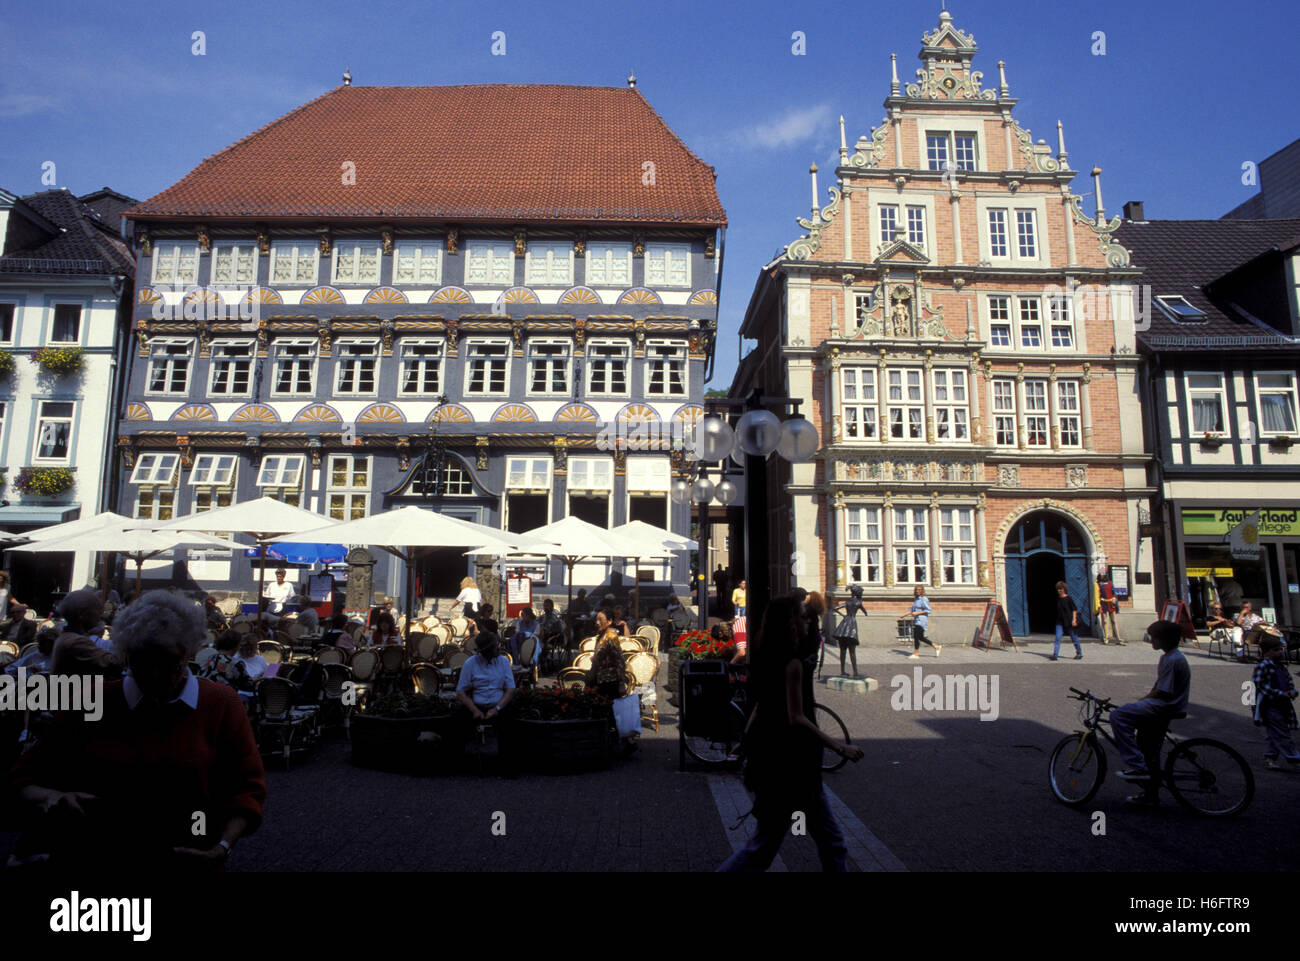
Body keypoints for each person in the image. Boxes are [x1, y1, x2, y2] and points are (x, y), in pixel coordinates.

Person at [9, 590, 266, 869]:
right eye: (143, 662)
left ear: (188, 653)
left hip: (188, 855)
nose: (155, 674)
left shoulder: (221, 703)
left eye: (166, 662)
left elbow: (247, 787)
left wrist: (222, 847)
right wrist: (54, 797)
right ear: (126, 656)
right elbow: (23, 778)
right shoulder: (91, 700)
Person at [718, 594, 864, 872]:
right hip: (795, 762)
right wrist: (839, 747)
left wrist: (745, 743)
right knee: (823, 843)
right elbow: (796, 717)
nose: (808, 622)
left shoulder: (768, 657)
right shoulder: (793, 664)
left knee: (766, 847)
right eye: (803, 617)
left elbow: (761, 705)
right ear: (791, 623)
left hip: (773, 761)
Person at [1110, 620, 1191, 805]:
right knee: (1148, 748)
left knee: (1118, 715)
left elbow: (1162, 691)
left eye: (1154, 637)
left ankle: (1137, 765)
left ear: (1164, 639)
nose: (1151, 640)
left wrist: (1143, 700)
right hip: (1163, 704)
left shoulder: (1173, 660)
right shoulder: (1168, 657)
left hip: (1165, 706)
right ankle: (1150, 794)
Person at [454, 632, 519, 774]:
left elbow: (510, 689)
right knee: (457, 719)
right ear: (487, 650)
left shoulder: (503, 662)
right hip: (476, 706)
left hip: (498, 705)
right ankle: (460, 763)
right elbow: (461, 692)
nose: (498, 648)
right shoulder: (470, 663)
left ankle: (508, 765)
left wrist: (497, 708)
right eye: (495, 647)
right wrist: (474, 710)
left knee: (511, 721)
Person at [1251, 634, 1300, 770]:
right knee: (1283, 732)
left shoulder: (1281, 666)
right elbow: (1261, 685)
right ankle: (1294, 758)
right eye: (1276, 650)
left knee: (1274, 732)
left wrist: (1293, 691)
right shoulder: (1263, 666)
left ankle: (1270, 756)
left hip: (1283, 703)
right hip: (1269, 705)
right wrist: (1280, 693)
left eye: (1281, 649)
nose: (1280, 652)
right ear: (1267, 652)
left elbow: (1289, 681)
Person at [50, 589, 120, 678]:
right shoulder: (76, 642)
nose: (100, 613)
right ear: (82, 614)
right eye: (96, 609)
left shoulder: (66, 636)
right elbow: (113, 664)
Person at [831, 585, 865, 678]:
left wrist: (843, 615)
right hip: (851, 625)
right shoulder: (858, 602)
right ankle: (855, 673)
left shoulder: (847, 602)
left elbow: (835, 608)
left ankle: (843, 671)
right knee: (852, 651)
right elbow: (864, 611)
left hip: (843, 625)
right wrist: (865, 613)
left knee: (843, 650)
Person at [901, 585, 939, 659]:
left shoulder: (924, 599)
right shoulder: (916, 599)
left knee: (916, 636)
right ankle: (936, 646)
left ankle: (916, 654)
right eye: (916, 589)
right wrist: (904, 615)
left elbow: (928, 610)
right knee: (920, 637)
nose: (917, 591)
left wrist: (917, 613)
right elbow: (912, 610)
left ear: (922, 590)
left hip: (922, 620)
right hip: (917, 620)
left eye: (919, 589)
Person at [1051, 581, 1083, 662]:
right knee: (1058, 637)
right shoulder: (1058, 599)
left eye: (1060, 589)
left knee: (1074, 637)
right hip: (1059, 621)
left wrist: (1074, 620)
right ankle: (1055, 655)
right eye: (1058, 589)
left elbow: (1074, 609)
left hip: (1069, 621)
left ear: (1064, 589)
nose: (1059, 590)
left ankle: (1079, 653)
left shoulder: (1069, 599)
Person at [1095, 570, 1124, 645]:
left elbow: (1114, 593)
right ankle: (1106, 637)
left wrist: (1114, 598)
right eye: (1100, 574)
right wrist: (1098, 606)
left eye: (1103, 574)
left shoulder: (1110, 583)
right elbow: (1097, 595)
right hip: (1103, 603)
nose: (1102, 575)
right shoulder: (1098, 584)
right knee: (1104, 621)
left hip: (1111, 603)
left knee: (1114, 621)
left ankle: (1118, 638)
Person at [0, 571, 29, 640]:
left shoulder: (7, 587)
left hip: (1, 613)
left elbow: (10, 598)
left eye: (1, 578)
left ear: (4, 579)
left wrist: (20, 605)